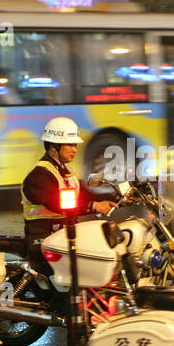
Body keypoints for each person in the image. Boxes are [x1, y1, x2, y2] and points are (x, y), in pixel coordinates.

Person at [21, 117, 116, 276]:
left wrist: (112, 195)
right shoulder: (39, 175)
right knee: (64, 287)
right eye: (70, 144)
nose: (75, 149)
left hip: (64, 236)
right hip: (42, 239)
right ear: (54, 146)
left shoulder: (65, 172)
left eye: (75, 145)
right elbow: (57, 202)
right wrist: (94, 206)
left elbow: (82, 196)